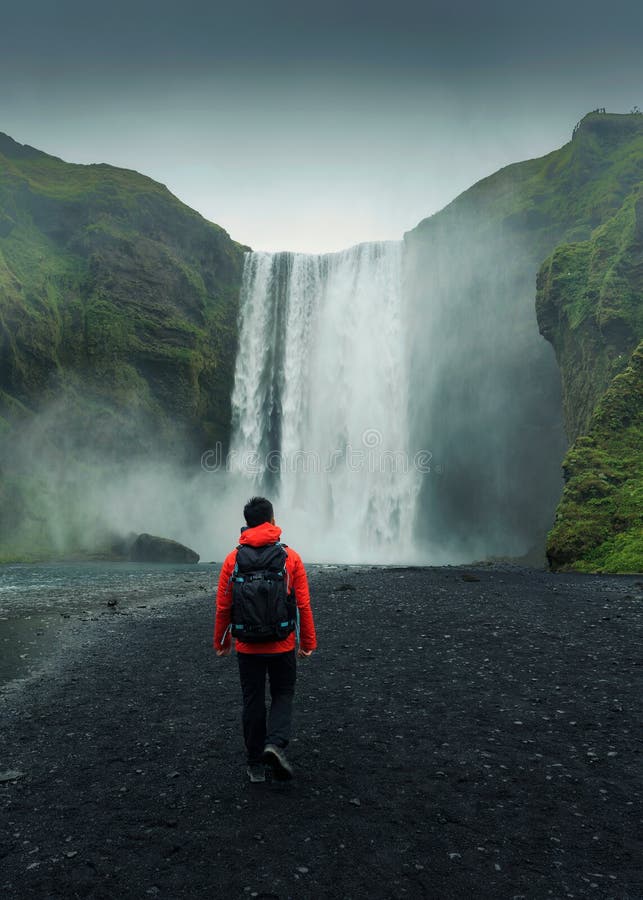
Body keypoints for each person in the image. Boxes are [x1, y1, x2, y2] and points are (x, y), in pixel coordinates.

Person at [214, 496, 317, 783]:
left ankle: (254, 764)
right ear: (272, 520)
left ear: (246, 523)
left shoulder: (232, 559)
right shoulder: (290, 557)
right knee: (283, 693)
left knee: (253, 700)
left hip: (247, 646)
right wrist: (307, 643)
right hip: (282, 643)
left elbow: (223, 606)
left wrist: (221, 643)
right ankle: (275, 743)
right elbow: (303, 605)